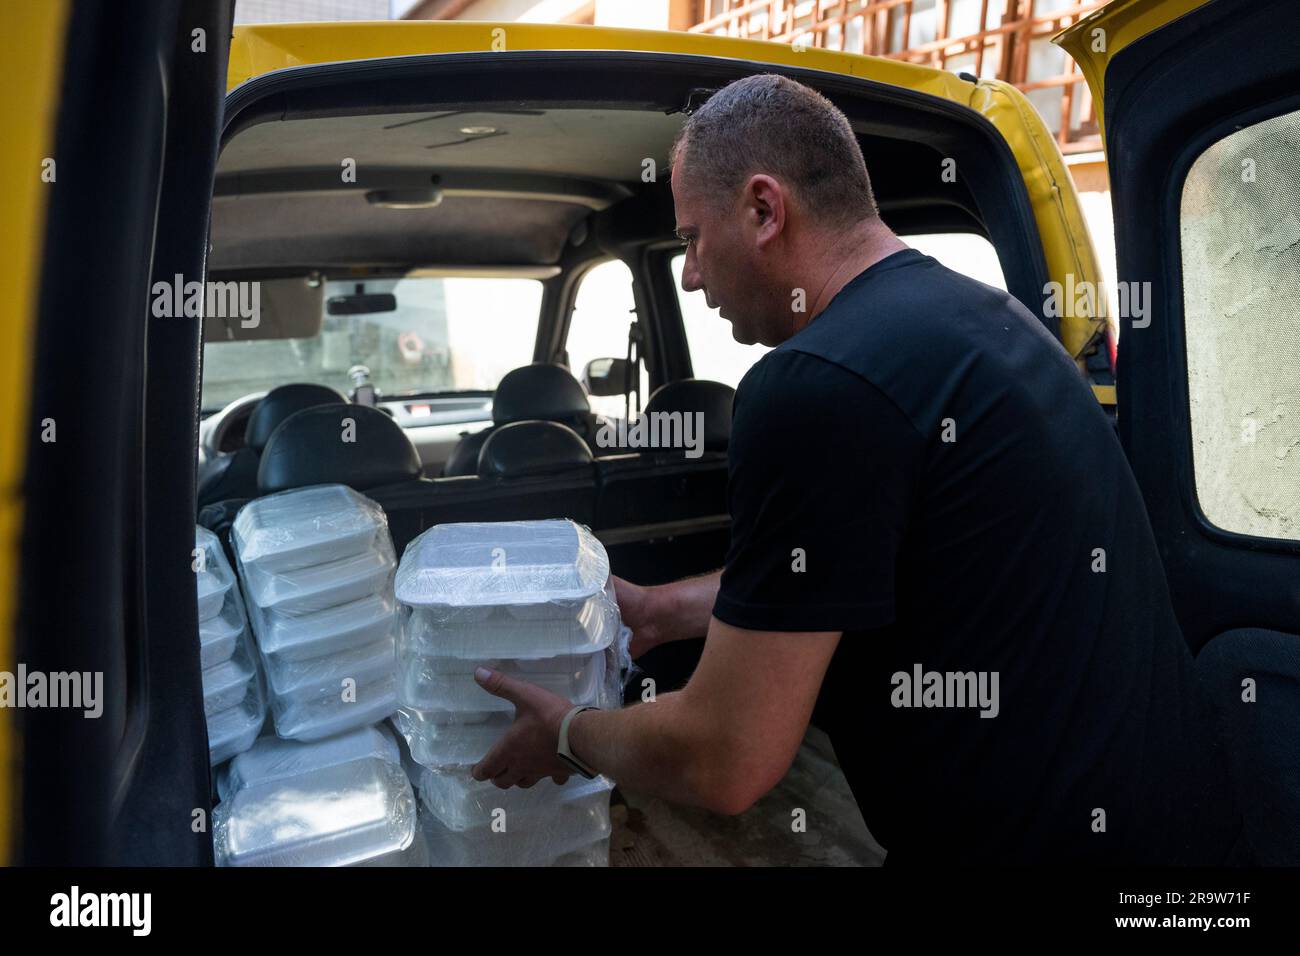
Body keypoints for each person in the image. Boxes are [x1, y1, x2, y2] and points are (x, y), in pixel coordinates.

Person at [469, 73, 1239, 865]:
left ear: (765, 210)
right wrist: (663, 610)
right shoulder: (991, 319)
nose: (692, 275)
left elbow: (725, 759)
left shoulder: (814, 384)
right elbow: (870, 572)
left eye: (694, 238)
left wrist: (564, 733)